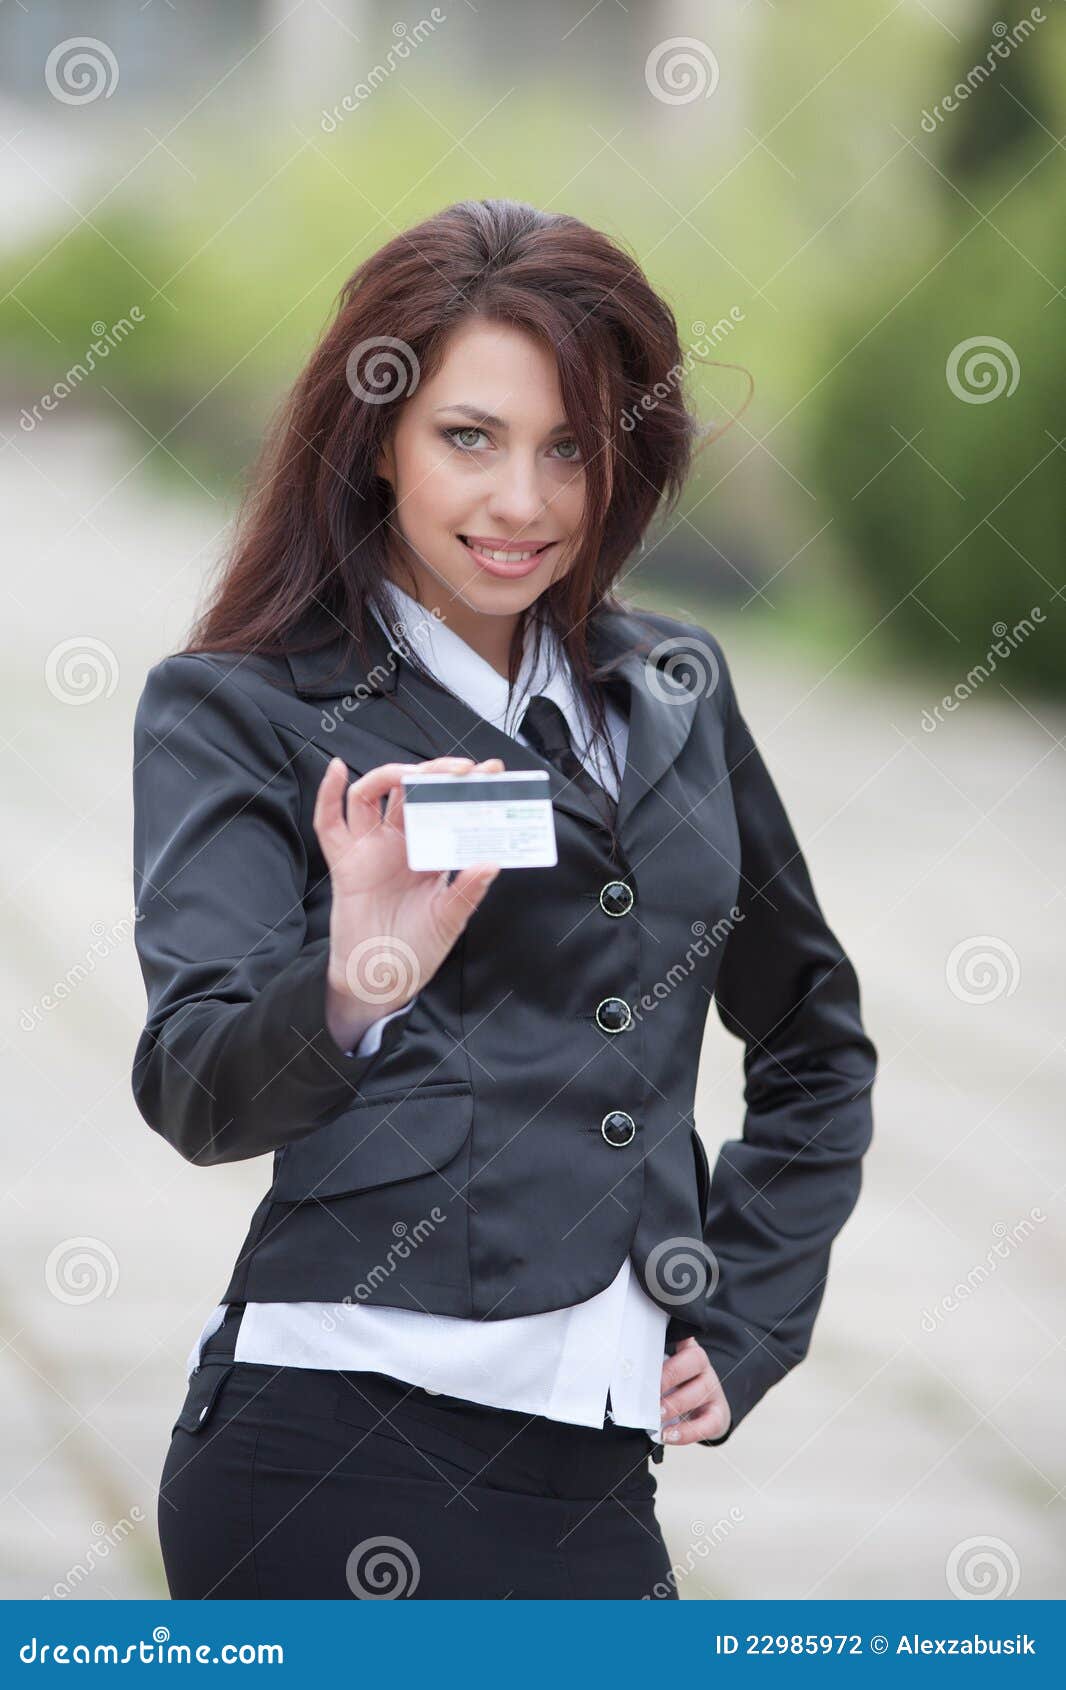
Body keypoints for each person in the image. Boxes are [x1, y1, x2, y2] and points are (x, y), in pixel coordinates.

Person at [131, 197, 877, 1600]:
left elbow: (812, 1034)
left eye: (570, 449)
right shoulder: (237, 708)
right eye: (468, 437)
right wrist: (351, 979)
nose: (522, 502)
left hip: (596, 1465)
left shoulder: (674, 690)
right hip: (332, 1444)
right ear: (375, 441)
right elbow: (194, 1087)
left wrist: (754, 1301)